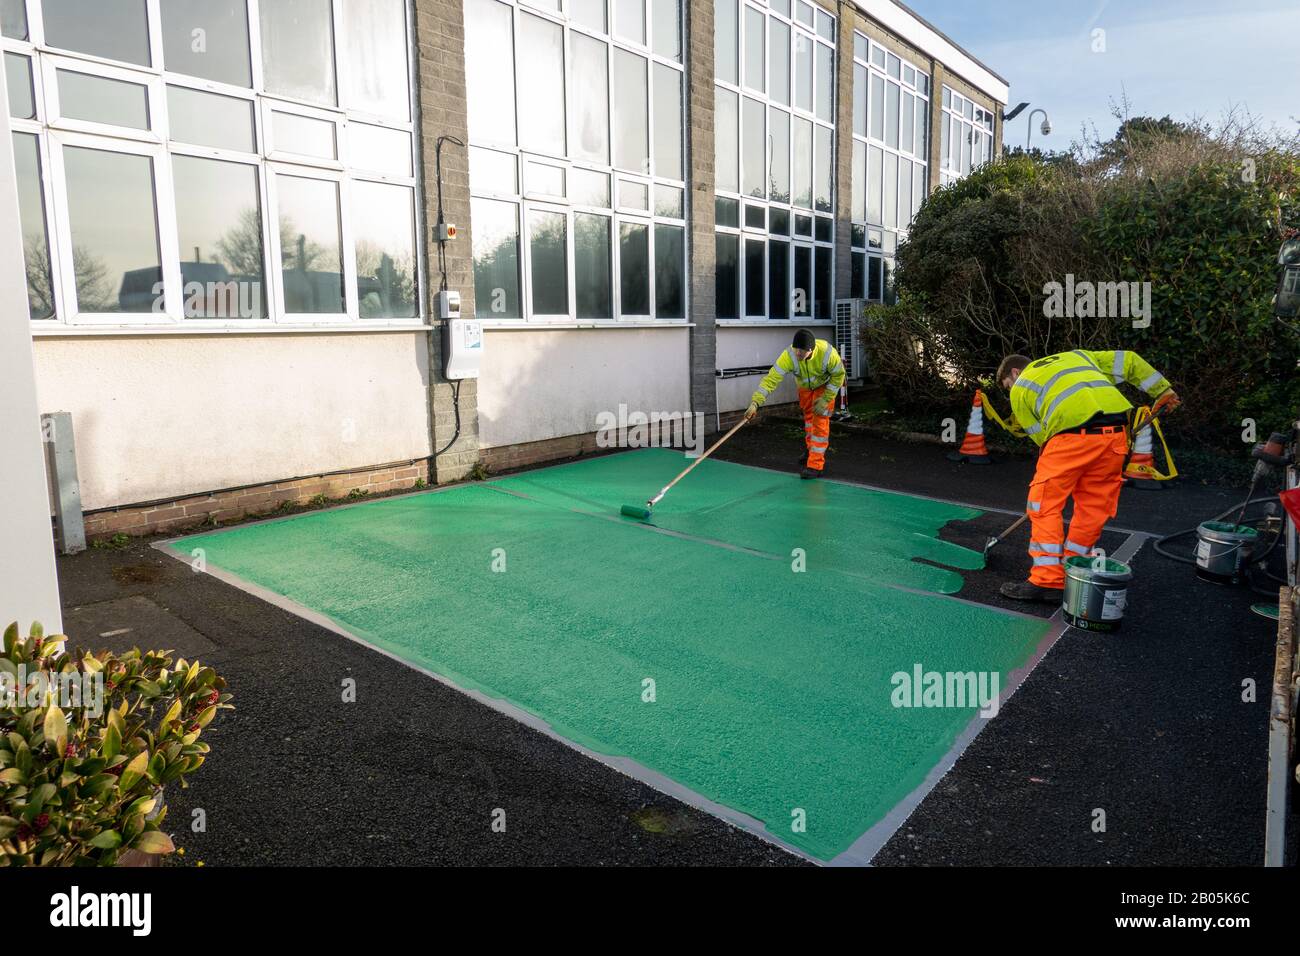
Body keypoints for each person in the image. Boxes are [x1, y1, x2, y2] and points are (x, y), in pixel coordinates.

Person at [997, 349, 1180, 601]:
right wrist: (1162, 390)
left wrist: (1063, 472)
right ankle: (1075, 572)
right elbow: (1128, 360)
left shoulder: (1021, 387)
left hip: (1069, 438)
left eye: (1008, 385)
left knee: (1043, 504)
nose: (1010, 389)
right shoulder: (1078, 357)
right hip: (1115, 435)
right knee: (1093, 507)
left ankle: (1048, 580)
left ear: (1015, 372)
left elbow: (1042, 437)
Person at [745, 329, 846, 479]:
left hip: (825, 387)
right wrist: (755, 403)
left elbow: (839, 375)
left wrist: (826, 398)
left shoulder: (827, 353)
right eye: (796, 349)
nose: (797, 353)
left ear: (811, 350)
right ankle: (811, 450)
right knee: (809, 421)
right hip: (805, 388)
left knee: (819, 422)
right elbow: (771, 379)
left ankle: (815, 466)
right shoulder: (789, 355)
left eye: (801, 351)